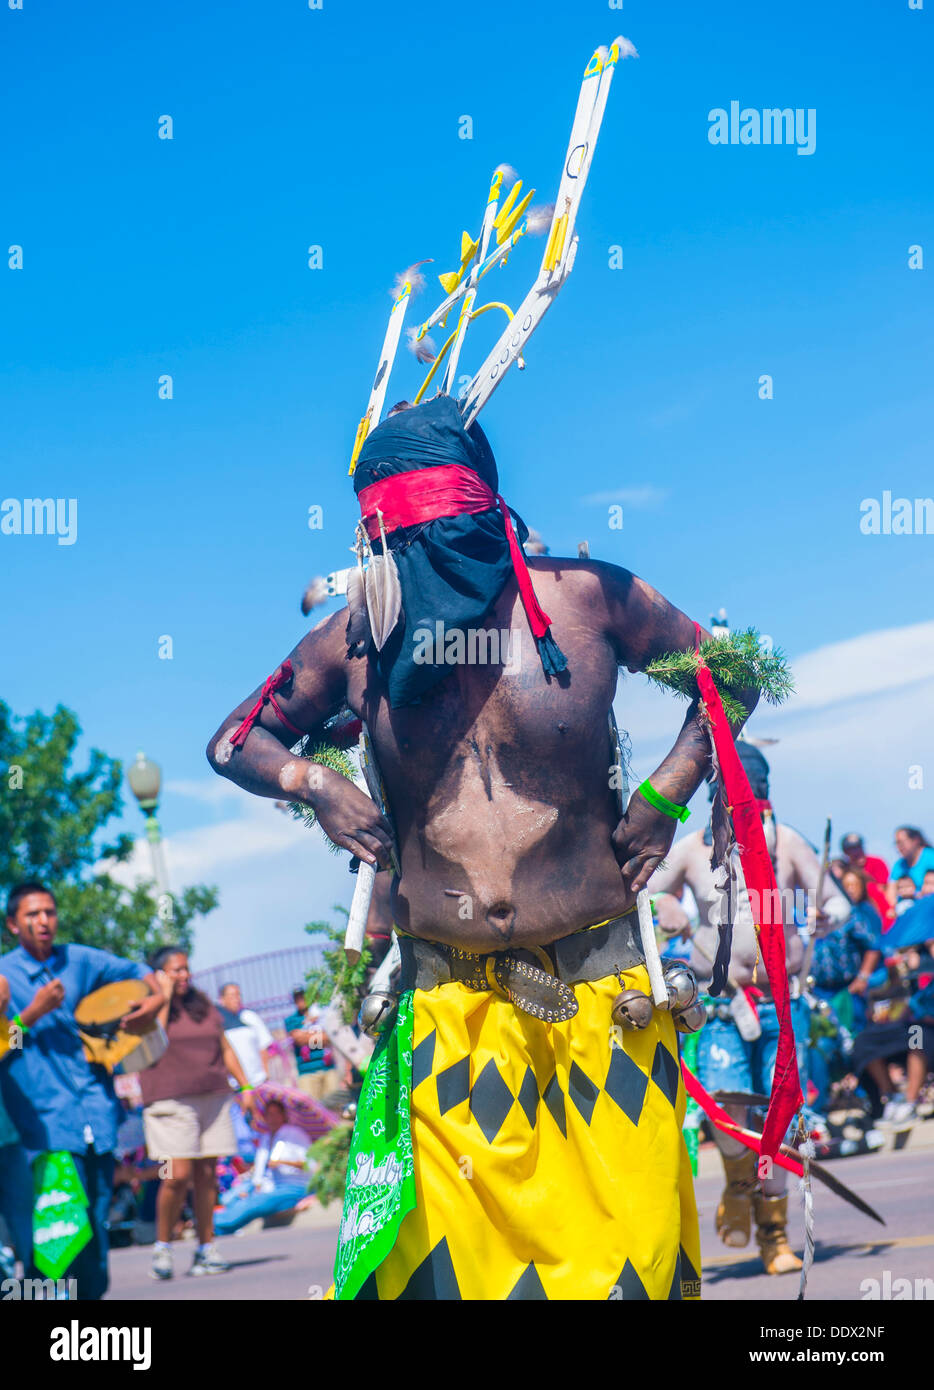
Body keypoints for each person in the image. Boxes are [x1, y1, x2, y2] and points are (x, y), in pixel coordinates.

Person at [205, 393, 766, 1301]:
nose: (429, 563)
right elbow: (236, 740)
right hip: (451, 1023)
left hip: (606, 1010)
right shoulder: (357, 640)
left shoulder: (587, 599)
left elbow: (732, 672)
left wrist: (667, 793)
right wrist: (316, 783)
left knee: (628, 1281)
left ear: (487, 510)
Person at [648, 741, 846, 1275]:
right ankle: (739, 1184)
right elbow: (644, 894)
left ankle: (775, 1235)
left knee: (779, 1117)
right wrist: (664, 906)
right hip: (720, 1006)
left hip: (783, 1003)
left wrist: (826, 912)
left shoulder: (786, 844)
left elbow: (836, 901)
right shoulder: (693, 849)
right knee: (728, 1104)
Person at [0, 881, 164, 1299]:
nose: (43, 921)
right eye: (32, 914)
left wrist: (156, 998)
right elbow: (2, 1045)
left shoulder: (78, 960)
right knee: (55, 1243)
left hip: (97, 1120)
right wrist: (31, 1014)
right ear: (12, 924)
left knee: (94, 1237)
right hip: (45, 1135)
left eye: (49, 912)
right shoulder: (4, 978)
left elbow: (137, 971)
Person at [140, 946, 255, 1281]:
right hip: (170, 1101)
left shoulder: (203, 1003)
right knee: (175, 1174)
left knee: (207, 1174)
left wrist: (245, 1086)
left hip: (214, 1096)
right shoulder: (149, 1004)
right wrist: (161, 996)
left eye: (186, 969)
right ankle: (163, 1246)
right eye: (175, 970)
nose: (184, 975)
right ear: (160, 973)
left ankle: (207, 1249)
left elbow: (223, 1045)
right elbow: (153, 1041)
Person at [214, 1099, 310, 1235]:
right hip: (269, 1186)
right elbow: (260, 1170)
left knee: (253, 1203)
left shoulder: (294, 1134)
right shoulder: (266, 1138)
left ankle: (215, 1224)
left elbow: (309, 1164)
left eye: (276, 1114)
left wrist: (282, 1162)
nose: (272, 1118)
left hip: (293, 1187)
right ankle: (217, 1227)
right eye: (269, 1114)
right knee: (231, 1198)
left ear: (284, 1115)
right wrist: (255, 1185)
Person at [0, 973, 33, 1272]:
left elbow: (12, 1044)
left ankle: (38, 1279)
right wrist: (33, 1013)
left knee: (23, 1212)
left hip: (7, 1135)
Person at [217, 982, 273, 1087]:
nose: (237, 999)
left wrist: (266, 1075)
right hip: (234, 1086)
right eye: (232, 996)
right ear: (222, 999)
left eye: (238, 995)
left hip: (259, 1082)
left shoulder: (251, 1017)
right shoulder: (218, 1022)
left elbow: (263, 1047)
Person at [285, 987, 336, 1101]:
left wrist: (306, 1035)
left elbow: (329, 1037)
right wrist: (319, 1034)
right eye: (297, 998)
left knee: (334, 1108)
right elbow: (298, 1039)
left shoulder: (322, 1014)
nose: (300, 1000)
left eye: (302, 997)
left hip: (328, 1068)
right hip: (307, 1073)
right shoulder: (291, 1020)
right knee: (313, 1109)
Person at [840, 832, 891, 928]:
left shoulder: (877, 863)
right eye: (852, 849)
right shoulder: (844, 870)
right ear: (845, 852)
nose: (857, 851)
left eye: (858, 846)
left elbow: (884, 889)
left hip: (879, 912)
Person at [887, 826, 934, 905]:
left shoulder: (931, 857)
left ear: (915, 840)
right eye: (897, 843)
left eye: (902, 842)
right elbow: (890, 894)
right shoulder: (899, 866)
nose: (899, 847)